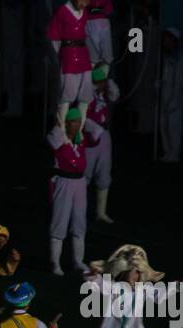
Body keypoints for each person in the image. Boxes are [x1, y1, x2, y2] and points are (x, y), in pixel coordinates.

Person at [46, 108, 100, 275]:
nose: (76, 125)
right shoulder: (58, 138)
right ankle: (55, 263)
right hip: (64, 182)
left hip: (79, 183)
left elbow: (97, 132)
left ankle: (78, 260)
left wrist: (85, 118)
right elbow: (53, 138)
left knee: (79, 222)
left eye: (78, 121)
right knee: (60, 221)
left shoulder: (80, 140)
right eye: (73, 121)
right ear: (66, 123)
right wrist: (60, 120)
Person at [47, 0, 91, 127]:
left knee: (85, 97)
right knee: (66, 97)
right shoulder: (63, 11)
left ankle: (79, 131)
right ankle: (62, 133)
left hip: (84, 58)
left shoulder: (84, 12)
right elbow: (54, 37)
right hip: (68, 60)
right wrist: (58, 58)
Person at [84, 65, 118, 223]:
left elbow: (116, 95)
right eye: (100, 81)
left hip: (105, 137)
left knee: (104, 172)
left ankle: (101, 212)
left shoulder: (106, 94)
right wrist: (94, 130)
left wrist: (109, 81)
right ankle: (79, 210)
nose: (103, 84)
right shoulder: (88, 96)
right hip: (91, 138)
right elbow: (84, 118)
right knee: (85, 174)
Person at [157, 28, 183, 163]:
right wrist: (159, 83)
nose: (165, 42)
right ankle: (167, 151)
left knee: (173, 126)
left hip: (175, 96)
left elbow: (180, 81)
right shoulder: (166, 57)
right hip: (165, 94)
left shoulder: (181, 59)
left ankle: (175, 153)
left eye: (167, 39)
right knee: (163, 124)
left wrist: (174, 99)